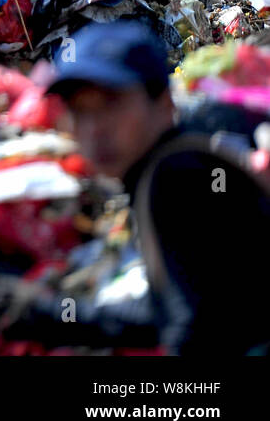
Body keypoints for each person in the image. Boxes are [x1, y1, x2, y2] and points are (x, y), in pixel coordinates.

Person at [44, 20, 270, 355]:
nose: (94, 129)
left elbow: (193, 336)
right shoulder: (180, 158)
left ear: (164, 103)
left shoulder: (175, 177)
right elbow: (176, 304)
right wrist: (47, 315)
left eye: (111, 103)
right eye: (79, 110)